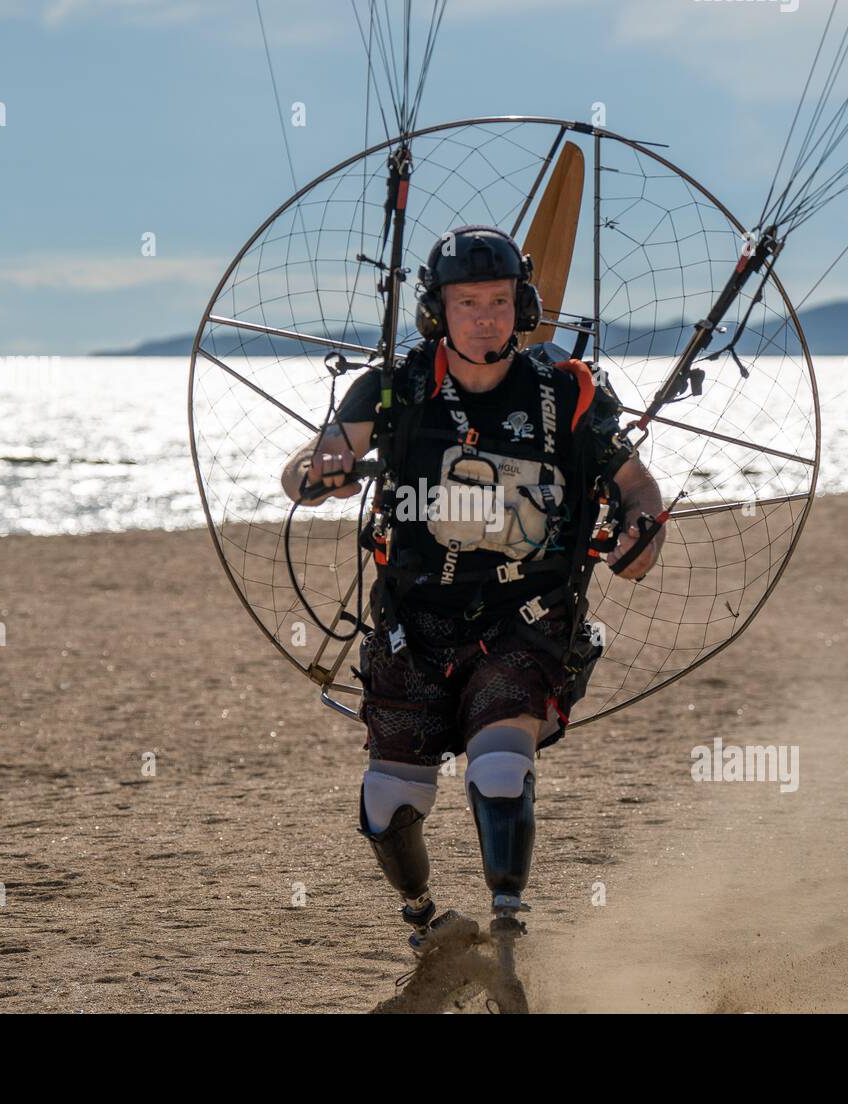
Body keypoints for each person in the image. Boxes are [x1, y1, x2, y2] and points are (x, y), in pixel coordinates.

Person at [280, 225, 664, 951]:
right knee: (388, 800)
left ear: (524, 307)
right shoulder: (394, 388)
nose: (484, 318)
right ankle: (426, 920)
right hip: (413, 622)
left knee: (499, 769)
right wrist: (320, 471)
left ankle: (510, 929)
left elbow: (636, 485)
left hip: (525, 618)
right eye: (467, 303)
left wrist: (644, 530)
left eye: (499, 301)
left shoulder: (568, 391)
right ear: (437, 312)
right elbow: (309, 464)